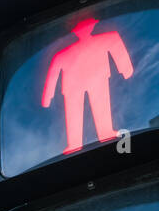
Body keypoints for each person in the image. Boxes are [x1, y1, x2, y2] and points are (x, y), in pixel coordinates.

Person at [41, 17, 134, 154]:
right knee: (75, 112)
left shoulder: (105, 39)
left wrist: (125, 68)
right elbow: (53, 73)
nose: (84, 32)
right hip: (75, 86)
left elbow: (116, 45)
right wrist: (47, 97)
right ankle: (74, 144)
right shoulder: (63, 55)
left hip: (96, 80)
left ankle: (103, 133)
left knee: (99, 106)